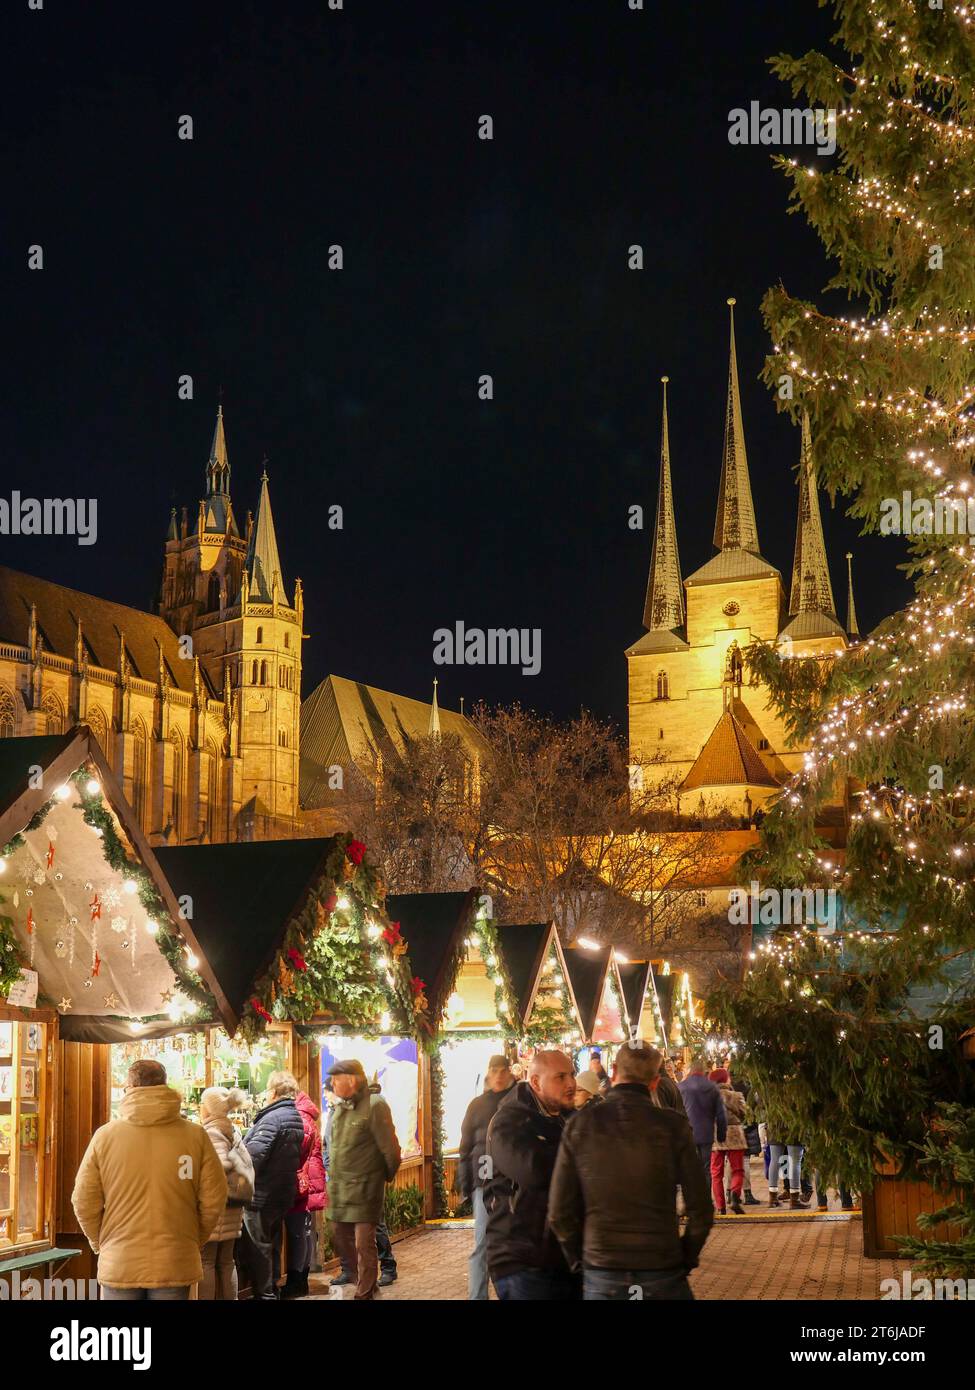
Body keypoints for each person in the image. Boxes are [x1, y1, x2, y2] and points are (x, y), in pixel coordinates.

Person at [548, 1041, 713, 1301]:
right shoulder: (672, 1127)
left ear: (613, 1071)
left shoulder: (582, 1125)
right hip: (661, 1264)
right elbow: (701, 1209)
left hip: (603, 1267)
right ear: (655, 1082)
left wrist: (580, 1259)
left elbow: (559, 1212)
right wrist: (686, 1257)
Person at [71, 1059, 227, 1300]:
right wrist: (191, 1239)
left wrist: (101, 1242)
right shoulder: (196, 1136)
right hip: (175, 1259)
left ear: (130, 1088)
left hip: (120, 1260)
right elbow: (215, 1198)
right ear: (165, 1086)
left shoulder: (105, 1137)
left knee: (126, 1339)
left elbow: (83, 1200)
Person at [484, 1050, 579, 1300]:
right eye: (560, 1077)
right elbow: (535, 1171)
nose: (571, 1084)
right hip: (522, 1259)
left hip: (564, 1257)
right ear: (536, 1082)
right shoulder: (509, 1122)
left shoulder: (571, 1119)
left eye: (572, 1074)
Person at [325, 1058, 401, 1300]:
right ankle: (369, 1285)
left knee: (363, 1244)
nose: (333, 1084)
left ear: (353, 1080)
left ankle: (364, 1294)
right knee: (340, 1238)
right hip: (341, 1190)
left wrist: (382, 1178)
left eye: (337, 1079)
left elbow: (390, 1149)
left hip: (367, 1190)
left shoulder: (375, 1105)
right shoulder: (340, 1110)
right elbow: (334, 1148)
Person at [241, 1069, 305, 1299]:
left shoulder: (272, 1118)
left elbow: (254, 1156)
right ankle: (273, 1288)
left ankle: (265, 1293)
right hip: (282, 1192)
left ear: (274, 1091)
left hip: (263, 1194)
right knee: (273, 1244)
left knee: (259, 1247)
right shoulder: (293, 1115)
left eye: (267, 1089)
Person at [457, 1054, 515, 1300]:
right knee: (481, 1243)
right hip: (482, 1182)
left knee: (512, 1243)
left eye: (503, 1070)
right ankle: (478, 1296)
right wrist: (465, 1183)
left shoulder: (517, 1102)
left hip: (513, 1183)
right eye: (495, 1070)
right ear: (489, 1073)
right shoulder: (477, 1105)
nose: (499, 1075)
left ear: (510, 1073)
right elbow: (465, 1146)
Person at [199, 1085, 255, 1300]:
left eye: (203, 1104)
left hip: (217, 1208)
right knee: (226, 1261)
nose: (200, 1108)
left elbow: (218, 1167)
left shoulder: (212, 1132)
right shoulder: (231, 1129)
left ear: (210, 1108)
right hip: (233, 1206)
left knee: (207, 1261)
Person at [280, 1088, 327, 1299]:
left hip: (302, 1180)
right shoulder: (306, 1114)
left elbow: (297, 1153)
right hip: (310, 1179)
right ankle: (301, 1279)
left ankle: (297, 1281)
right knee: (304, 1231)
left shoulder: (299, 1117)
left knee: (299, 1232)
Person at [707, 1068, 747, 1215]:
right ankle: (735, 1195)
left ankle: (720, 1206)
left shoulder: (708, 1096)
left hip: (715, 1135)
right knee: (737, 1169)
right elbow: (745, 1113)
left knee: (716, 1173)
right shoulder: (736, 1095)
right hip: (735, 1134)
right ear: (726, 1079)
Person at [678, 1057, 727, 1178]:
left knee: (690, 1168)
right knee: (706, 1169)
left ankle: (692, 1195)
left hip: (687, 1133)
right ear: (703, 1071)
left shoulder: (681, 1087)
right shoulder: (712, 1087)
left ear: (690, 1071)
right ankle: (705, 1195)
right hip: (706, 1133)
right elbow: (721, 1114)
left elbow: (676, 1111)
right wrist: (721, 1135)